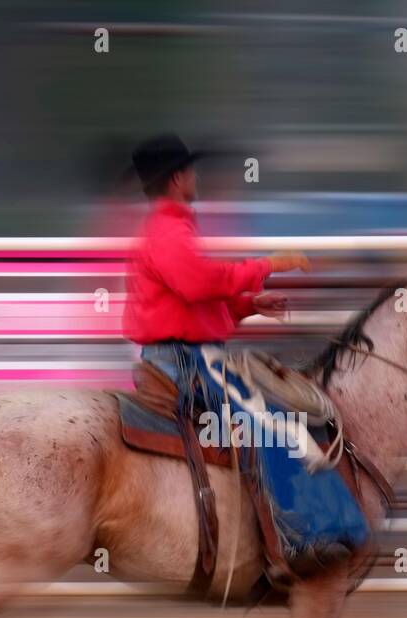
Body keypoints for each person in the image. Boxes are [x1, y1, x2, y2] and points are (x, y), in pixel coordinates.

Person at [121, 133, 370, 579]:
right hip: (185, 364)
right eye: (191, 171)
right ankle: (295, 540)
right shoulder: (169, 230)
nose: (196, 178)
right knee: (272, 421)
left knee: (271, 416)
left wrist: (246, 305)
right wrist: (268, 264)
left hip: (186, 355)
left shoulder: (167, 228)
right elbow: (198, 285)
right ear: (179, 177)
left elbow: (191, 302)